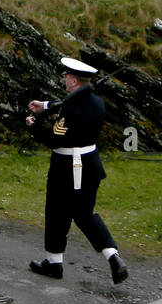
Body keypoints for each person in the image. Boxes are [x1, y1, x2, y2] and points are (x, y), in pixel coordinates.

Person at [27, 57, 128, 286]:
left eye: (66, 77)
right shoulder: (97, 103)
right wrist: (45, 105)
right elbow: (66, 105)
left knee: (56, 212)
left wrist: (34, 127)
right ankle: (113, 257)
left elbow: (54, 139)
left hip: (67, 168)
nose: (64, 79)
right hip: (91, 164)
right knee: (85, 214)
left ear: (73, 81)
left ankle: (54, 263)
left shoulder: (71, 110)